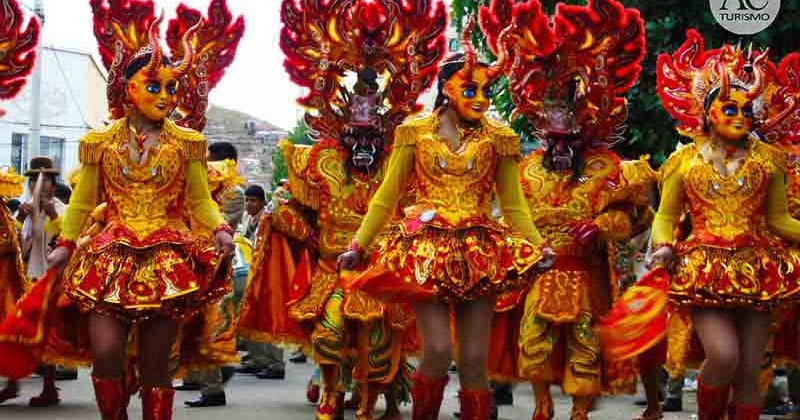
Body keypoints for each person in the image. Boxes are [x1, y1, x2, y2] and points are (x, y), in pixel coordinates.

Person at [0, 2, 242, 418]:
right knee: (107, 352)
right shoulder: (100, 142)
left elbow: (199, 199)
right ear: (127, 88)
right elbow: (82, 199)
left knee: (154, 363)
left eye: (171, 88)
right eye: (154, 86)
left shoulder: (187, 143)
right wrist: (67, 244)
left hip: (167, 259)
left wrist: (219, 227)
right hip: (108, 255)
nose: (165, 96)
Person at [237, 2, 447, 419]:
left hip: (384, 273)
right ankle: (332, 389)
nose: (364, 125)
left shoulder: (401, 159)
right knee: (330, 335)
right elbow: (296, 212)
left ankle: (375, 397)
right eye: (356, 111)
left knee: (382, 343)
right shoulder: (321, 161)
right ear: (342, 115)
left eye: (373, 111)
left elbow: (416, 206)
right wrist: (293, 223)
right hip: (333, 268)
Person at [337, 17, 556, 418]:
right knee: (437, 350)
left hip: (481, 251)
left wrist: (538, 245)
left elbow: (513, 206)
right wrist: (358, 245)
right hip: (426, 251)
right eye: (469, 89)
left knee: (473, 361)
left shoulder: (500, 138)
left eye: (485, 90)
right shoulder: (415, 133)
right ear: (446, 89)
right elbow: (386, 198)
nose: (480, 98)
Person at [477, 1, 654, 419]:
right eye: (552, 132)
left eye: (567, 135)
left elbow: (635, 217)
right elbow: (510, 216)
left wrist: (600, 226)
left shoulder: (607, 167)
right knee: (532, 338)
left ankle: (578, 410)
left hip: (586, 273)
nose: (559, 144)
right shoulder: (525, 169)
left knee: (586, 343)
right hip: (541, 272)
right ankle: (541, 405)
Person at [646, 31, 800, 420]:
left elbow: (779, 219)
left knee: (749, 373)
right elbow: (665, 215)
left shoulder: (769, 162)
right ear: (706, 112)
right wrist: (664, 245)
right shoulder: (685, 160)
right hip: (703, 268)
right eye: (729, 109)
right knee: (724, 355)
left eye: (747, 110)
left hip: (758, 267)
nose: (740, 117)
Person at [180, 141, 247, 407]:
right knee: (193, 321)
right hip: (195, 259)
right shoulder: (205, 189)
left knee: (209, 322)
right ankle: (202, 378)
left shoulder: (233, 193)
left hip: (215, 262)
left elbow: (222, 225)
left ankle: (213, 382)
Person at [233, 184, 287, 381]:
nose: (249, 204)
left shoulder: (269, 219)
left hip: (270, 274)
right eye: (247, 200)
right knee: (251, 315)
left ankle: (275, 363)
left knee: (271, 317)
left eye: (253, 200)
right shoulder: (248, 220)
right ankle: (256, 359)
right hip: (252, 272)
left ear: (263, 202)